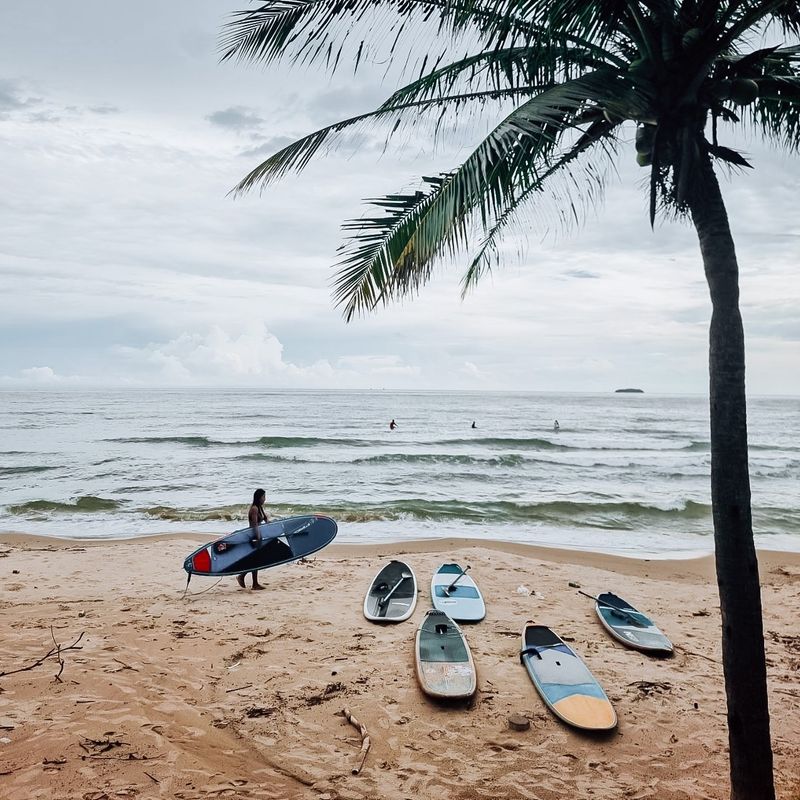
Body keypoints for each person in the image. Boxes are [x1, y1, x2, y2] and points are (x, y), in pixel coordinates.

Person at [237, 488, 269, 590]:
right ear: (258, 497)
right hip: (254, 537)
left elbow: (265, 520)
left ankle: (252, 582)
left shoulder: (260, 508)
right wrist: (258, 537)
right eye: (263, 497)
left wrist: (272, 525)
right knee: (255, 560)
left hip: (258, 535)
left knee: (256, 560)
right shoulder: (254, 509)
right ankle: (243, 577)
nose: (264, 499)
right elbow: (255, 525)